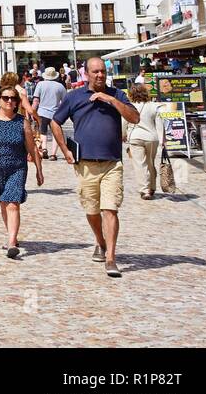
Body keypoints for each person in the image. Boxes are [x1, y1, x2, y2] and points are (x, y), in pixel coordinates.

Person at [45, 57, 140, 278]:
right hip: (85, 164)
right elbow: (55, 122)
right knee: (91, 210)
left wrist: (110, 99)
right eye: (95, 72)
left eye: (103, 72)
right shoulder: (74, 97)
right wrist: (64, 150)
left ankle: (111, 258)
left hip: (112, 163)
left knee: (110, 209)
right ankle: (100, 241)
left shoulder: (117, 95)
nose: (100, 75)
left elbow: (134, 117)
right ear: (86, 74)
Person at [0, 84, 44, 258]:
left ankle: (12, 242)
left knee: (12, 203)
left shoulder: (22, 121)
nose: (10, 101)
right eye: (6, 98)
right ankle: (11, 235)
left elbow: (31, 147)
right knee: (3, 203)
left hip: (17, 167)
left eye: (13, 98)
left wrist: (39, 170)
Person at [125, 84, 164, 200]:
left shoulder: (129, 106)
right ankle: (152, 187)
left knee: (140, 164)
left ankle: (144, 189)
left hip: (135, 137)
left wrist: (122, 134)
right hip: (152, 138)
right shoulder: (154, 106)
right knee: (150, 163)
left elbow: (124, 122)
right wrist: (162, 140)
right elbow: (159, 125)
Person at [31, 66, 67, 161]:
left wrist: (32, 112)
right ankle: (53, 154)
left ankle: (44, 149)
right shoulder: (60, 86)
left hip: (42, 112)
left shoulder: (40, 84)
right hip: (55, 113)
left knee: (43, 131)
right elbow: (65, 102)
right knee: (56, 134)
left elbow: (36, 100)